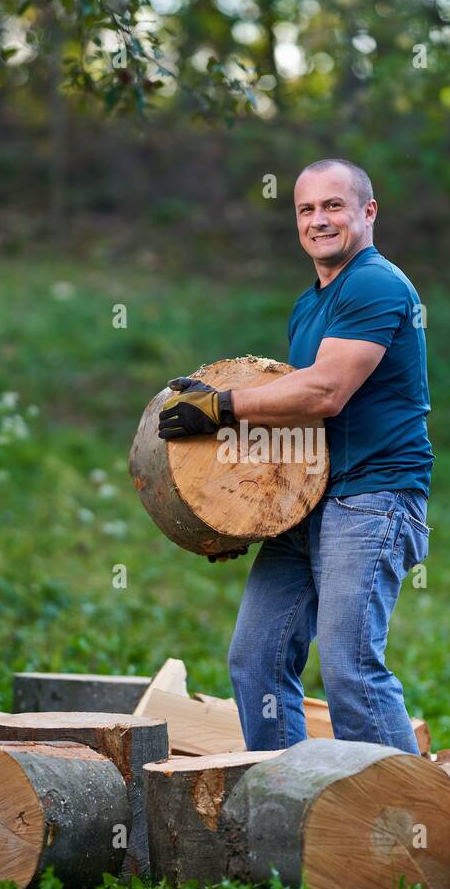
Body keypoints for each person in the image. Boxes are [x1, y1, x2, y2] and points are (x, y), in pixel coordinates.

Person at [156, 158, 433, 754]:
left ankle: (410, 828)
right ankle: (289, 809)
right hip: (309, 504)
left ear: (368, 211)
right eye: (306, 209)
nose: (318, 220)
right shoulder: (308, 306)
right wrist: (235, 516)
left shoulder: (376, 283)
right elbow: (293, 421)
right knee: (255, 661)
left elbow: (324, 393)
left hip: (373, 497)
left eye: (333, 205)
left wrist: (220, 406)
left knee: (350, 668)